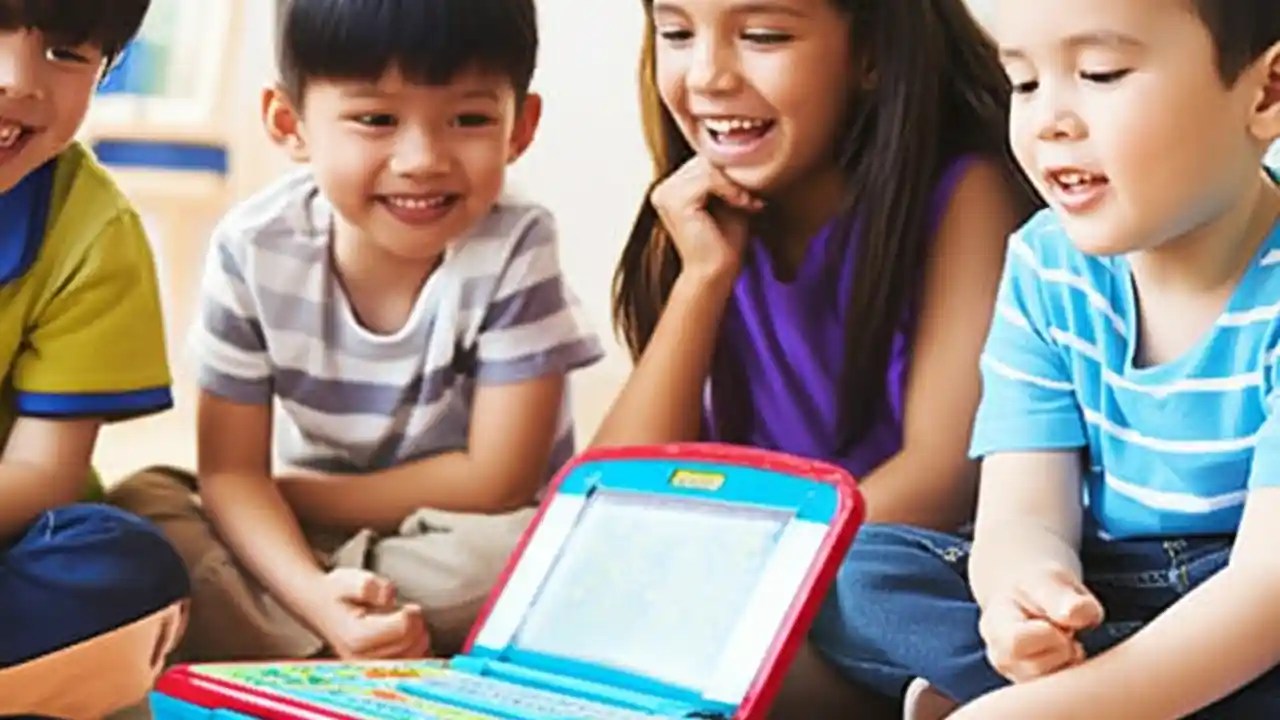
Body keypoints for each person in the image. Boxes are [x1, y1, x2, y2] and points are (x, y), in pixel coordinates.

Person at [813, 0, 1280, 717]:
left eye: (1100, 72)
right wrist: (1022, 594)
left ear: (1267, 92)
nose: (1049, 120)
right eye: (1024, 83)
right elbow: (1021, 508)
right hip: (1109, 592)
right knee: (852, 571)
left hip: (1249, 599)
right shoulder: (1044, 264)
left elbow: (1264, 591)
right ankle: (1079, 692)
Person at [109, 0, 603, 663]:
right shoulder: (253, 247)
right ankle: (358, 627)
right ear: (290, 124)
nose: (423, 159)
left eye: (469, 119)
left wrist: (278, 497)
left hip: (461, 533)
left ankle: (294, 630)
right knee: (142, 506)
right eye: (376, 120)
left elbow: (498, 480)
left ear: (522, 126)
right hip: (309, 538)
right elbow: (229, 472)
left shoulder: (517, 246)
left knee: (544, 554)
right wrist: (312, 590)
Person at [593, 0, 1036, 715]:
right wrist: (704, 278)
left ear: (870, 57)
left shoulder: (965, 194)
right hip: (761, 583)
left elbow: (945, 473)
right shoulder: (690, 218)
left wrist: (752, 577)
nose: (706, 75)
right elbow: (612, 503)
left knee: (846, 602)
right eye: (676, 33)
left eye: (763, 36)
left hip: (887, 563)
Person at [0, 0, 190, 713]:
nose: (17, 78)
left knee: (126, 565)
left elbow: (43, 471)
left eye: (67, 53)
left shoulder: (90, 229)